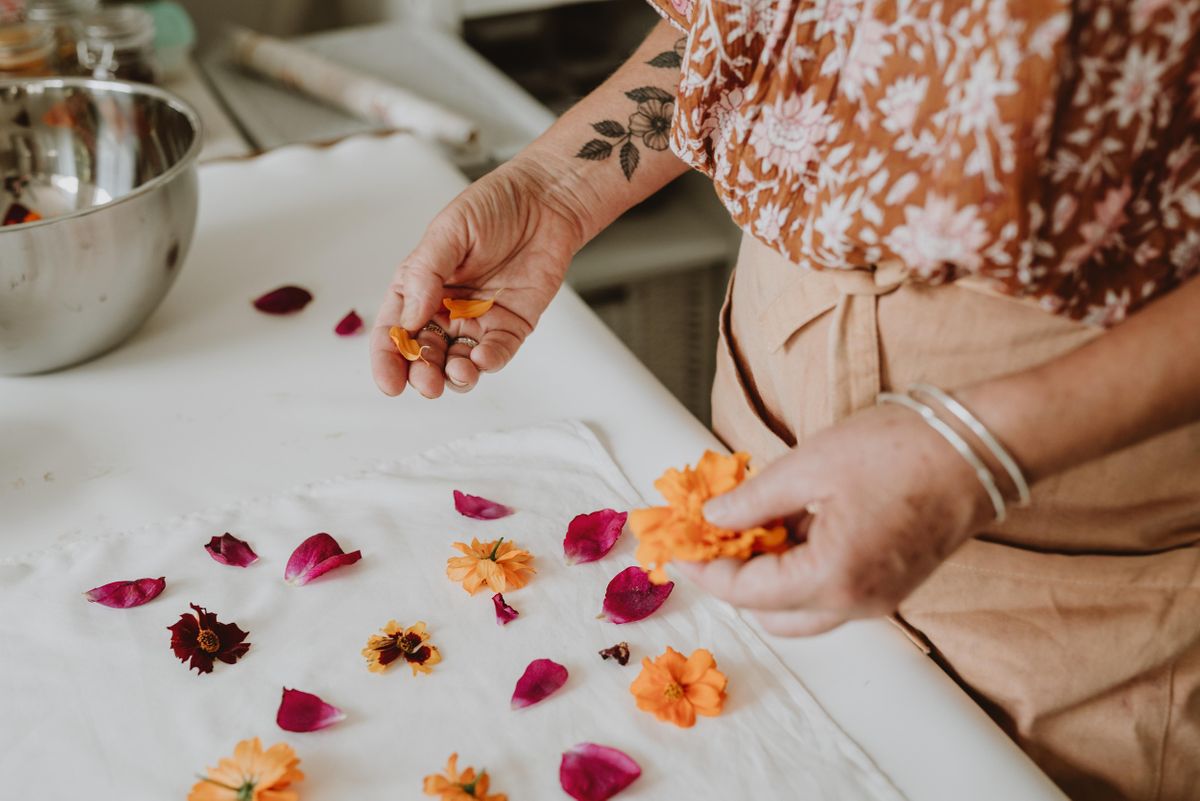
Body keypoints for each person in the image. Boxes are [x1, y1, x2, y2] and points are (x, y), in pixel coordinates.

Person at [371, 4, 1200, 799]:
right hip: (769, 395)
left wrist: (980, 446)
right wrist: (557, 186)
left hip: (1076, 497)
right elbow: (767, 22)